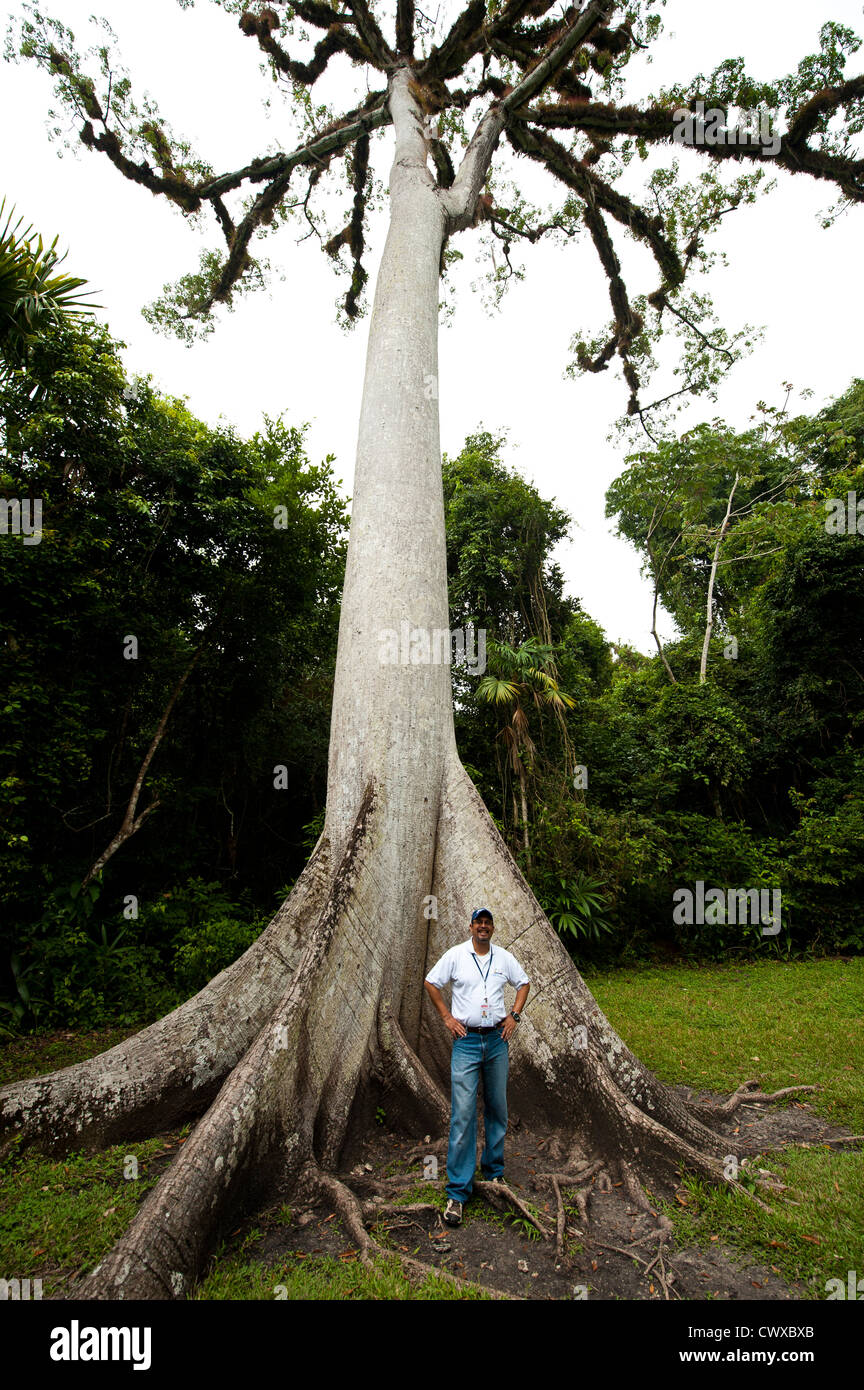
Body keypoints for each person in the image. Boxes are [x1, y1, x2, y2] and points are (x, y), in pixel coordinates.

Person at [423, 908, 530, 1227]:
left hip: (497, 1040)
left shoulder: (504, 958)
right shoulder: (456, 955)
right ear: (471, 927)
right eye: (478, 922)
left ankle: (494, 1173)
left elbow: (523, 983)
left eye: (488, 923)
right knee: (464, 1113)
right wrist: (446, 1017)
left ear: (493, 928)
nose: (483, 927)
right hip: (467, 1042)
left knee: (498, 1108)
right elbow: (431, 982)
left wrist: (515, 1015)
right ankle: (457, 1192)